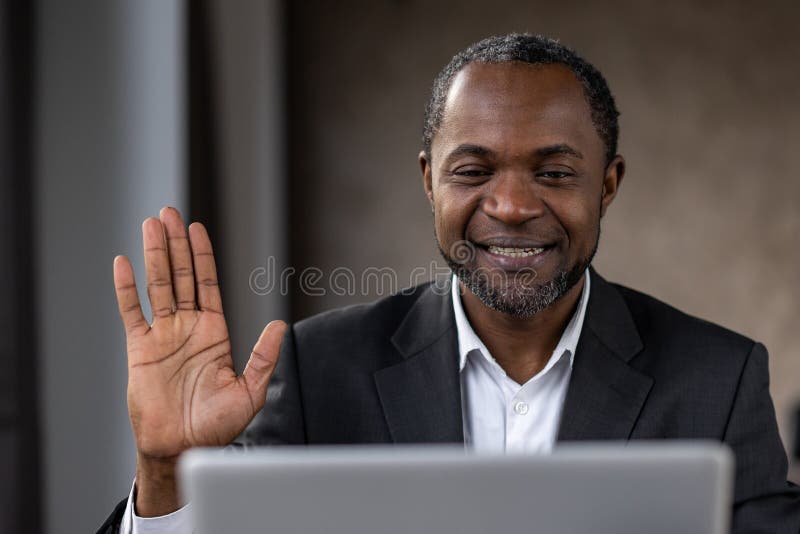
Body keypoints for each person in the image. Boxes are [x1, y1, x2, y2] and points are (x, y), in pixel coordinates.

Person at [98, 34, 800, 533]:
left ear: (608, 185)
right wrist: (165, 472)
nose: (513, 207)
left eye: (554, 172)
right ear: (429, 181)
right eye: (473, 171)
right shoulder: (319, 369)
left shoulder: (719, 378)